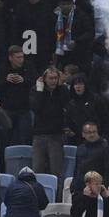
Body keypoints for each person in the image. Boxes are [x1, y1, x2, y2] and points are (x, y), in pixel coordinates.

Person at [30, 65, 68, 193]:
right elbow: (35, 107)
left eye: (55, 78)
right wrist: (40, 90)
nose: (53, 81)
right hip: (39, 135)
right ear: (44, 79)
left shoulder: (61, 91)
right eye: (50, 78)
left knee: (57, 171)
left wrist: (62, 86)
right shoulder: (36, 90)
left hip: (56, 135)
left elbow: (66, 103)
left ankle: (57, 198)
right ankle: (37, 197)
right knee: (38, 169)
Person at [0, 45, 36, 146]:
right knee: (5, 138)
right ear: (10, 58)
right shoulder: (3, 67)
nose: (21, 60)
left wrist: (23, 80)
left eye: (22, 57)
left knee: (25, 138)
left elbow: (35, 83)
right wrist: (5, 80)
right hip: (7, 109)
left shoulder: (29, 66)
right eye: (18, 57)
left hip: (24, 109)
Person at [72, 120, 109, 186]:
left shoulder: (105, 148)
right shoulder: (80, 148)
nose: (92, 135)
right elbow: (77, 170)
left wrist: (102, 188)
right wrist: (73, 186)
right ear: (83, 134)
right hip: (80, 188)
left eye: (94, 132)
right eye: (89, 132)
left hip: (97, 187)